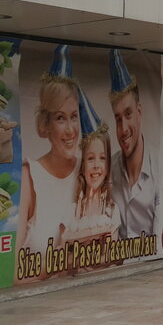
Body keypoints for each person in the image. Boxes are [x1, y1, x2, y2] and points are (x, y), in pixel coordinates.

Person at [16, 45, 81, 282]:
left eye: (74, 116)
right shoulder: (30, 177)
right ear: (46, 125)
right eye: (60, 118)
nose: (70, 130)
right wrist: (56, 267)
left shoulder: (91, 172)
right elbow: (10, 274)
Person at [58, 90, 122, 270]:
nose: (96, 166)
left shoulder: (111, 210)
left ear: (108, 164)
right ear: (83, 164)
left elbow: (112, 254)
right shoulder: (72, 212)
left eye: (102, 158)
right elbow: (60, 258)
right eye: (90, 158)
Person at [108, 50, 158, 238]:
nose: (123, 129)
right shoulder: (109, 169)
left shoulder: (159, 169)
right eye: (117, 119)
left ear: (139, 111)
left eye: (128, 114)